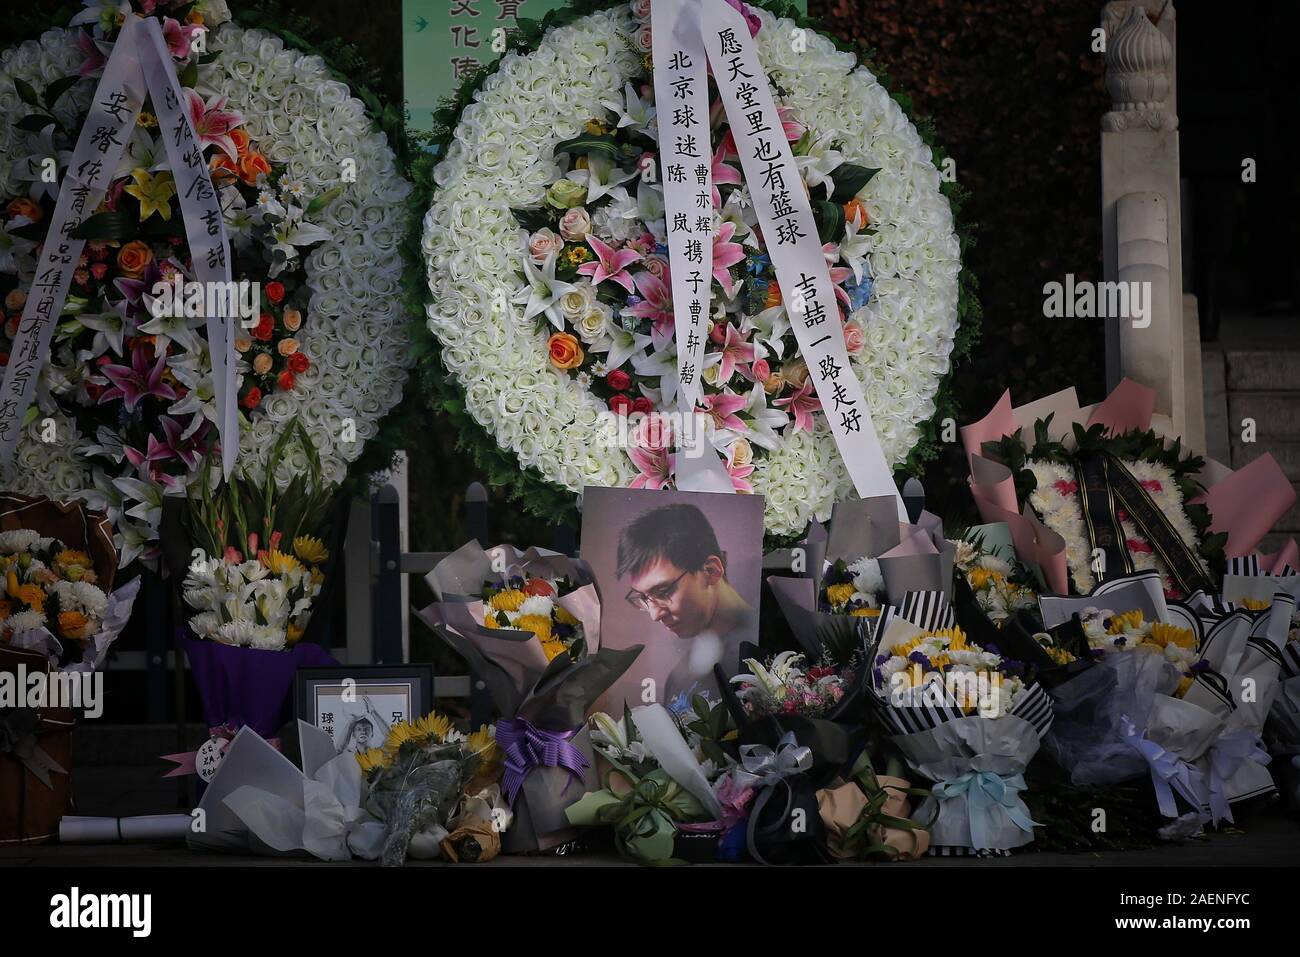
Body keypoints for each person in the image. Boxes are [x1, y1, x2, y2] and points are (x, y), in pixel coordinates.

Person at [616, 503, 757, 697]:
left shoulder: (772, 649)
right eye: (643, 597)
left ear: (711, 571)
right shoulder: (678, 682)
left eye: (664, 591)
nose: (654, 615)